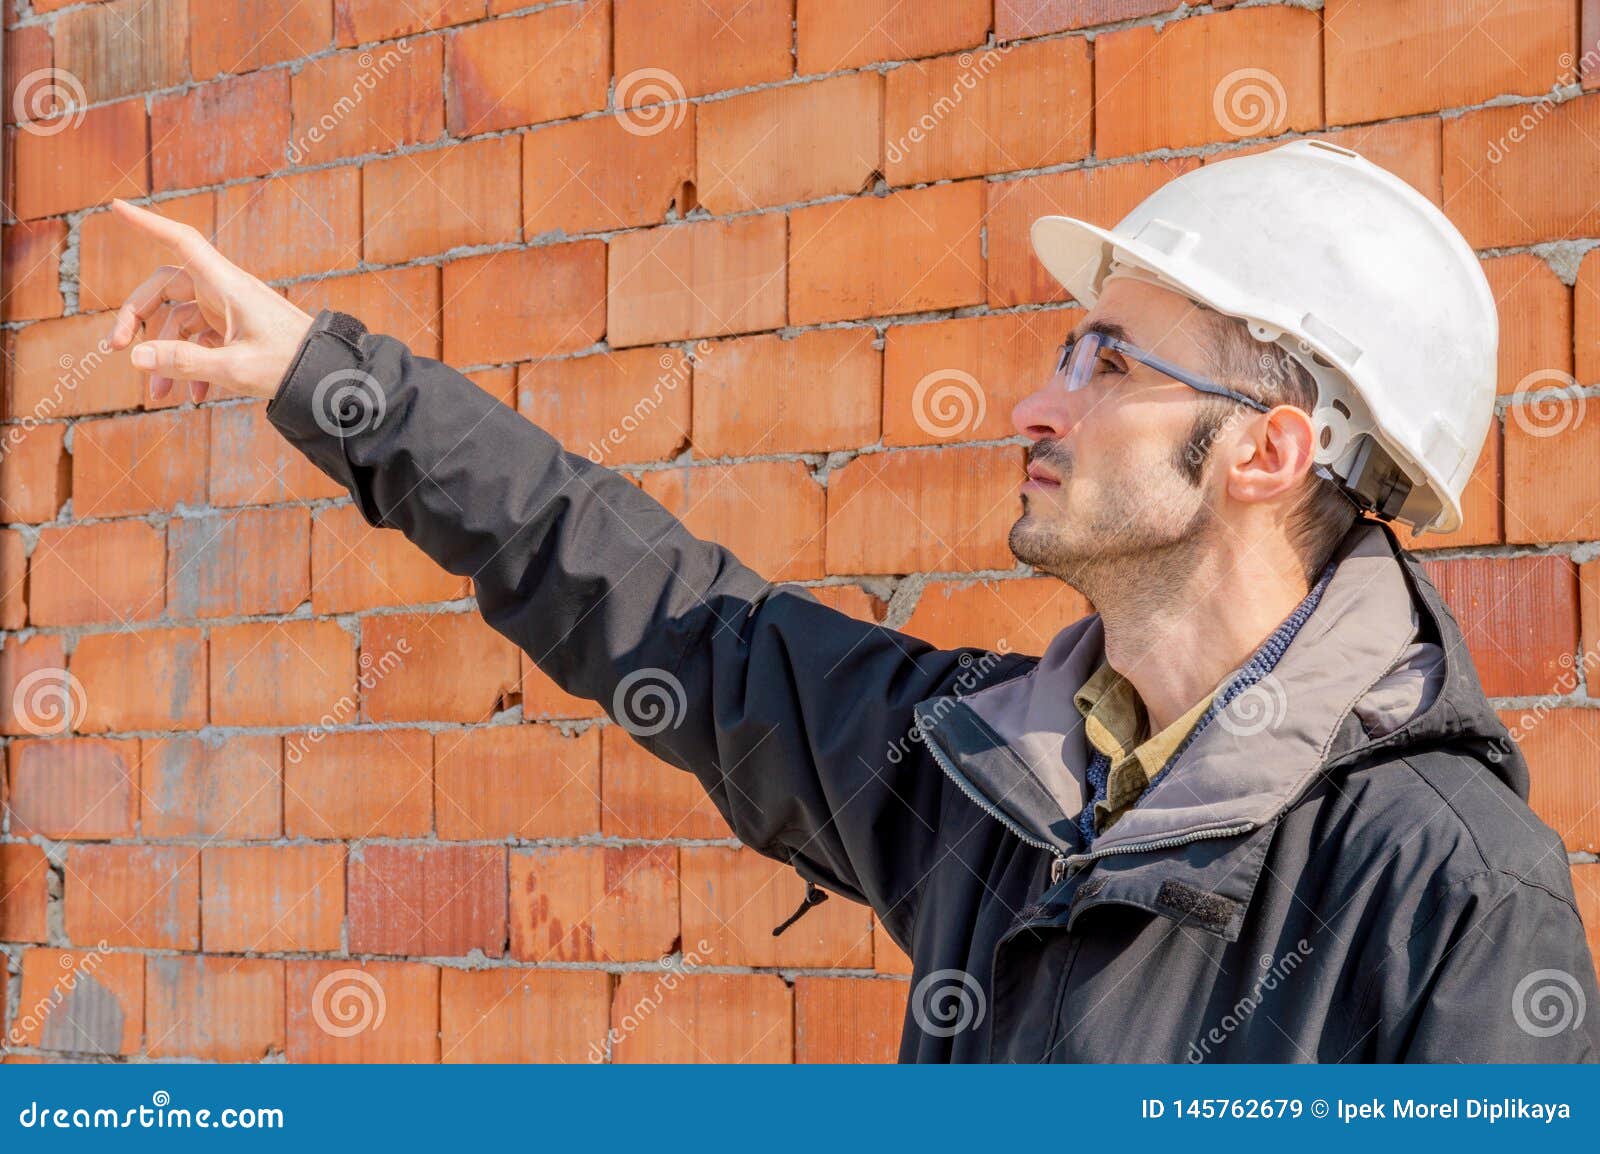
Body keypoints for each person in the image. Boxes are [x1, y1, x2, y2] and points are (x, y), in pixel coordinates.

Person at [107, 140, 1599, 1062]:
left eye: (1110, 362)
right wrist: (328, 378)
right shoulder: (986, 776)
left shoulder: (1451, 889)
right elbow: (650, 601)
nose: (1038, 397)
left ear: (1272, 451)